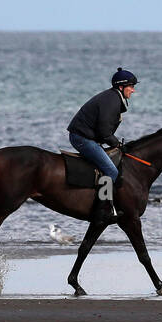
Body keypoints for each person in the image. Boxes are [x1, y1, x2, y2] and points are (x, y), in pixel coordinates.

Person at [67, 68, 138, 222]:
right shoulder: (112, 100)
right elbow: (104, 131)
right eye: (131, 86)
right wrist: (117, 144)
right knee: (112, 172)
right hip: (82, 138)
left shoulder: (113, 98)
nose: (133, 90)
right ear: (121, 87)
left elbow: (103, 131)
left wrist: (115, 143)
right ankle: (100, 211)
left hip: (87, 137)